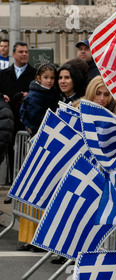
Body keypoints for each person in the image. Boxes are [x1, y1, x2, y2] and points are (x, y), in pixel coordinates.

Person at [0, 41, 36, 188]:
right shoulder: (3, 74)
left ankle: (22, 185)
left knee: (23, 154)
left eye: (26, 52)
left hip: (25, 120)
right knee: (9, 153)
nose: (24, 54)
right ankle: (10, 182)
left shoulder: (34, 74)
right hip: (7, 120)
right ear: (13, 54)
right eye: (20, 52)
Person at [20, 63, 59, 136]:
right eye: (46, 77)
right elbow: (35, 117)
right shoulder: (34, 95)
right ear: (39, 78)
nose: (49, 80)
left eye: (52, 78)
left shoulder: (52, 92)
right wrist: (53, 116)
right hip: (36, 132)